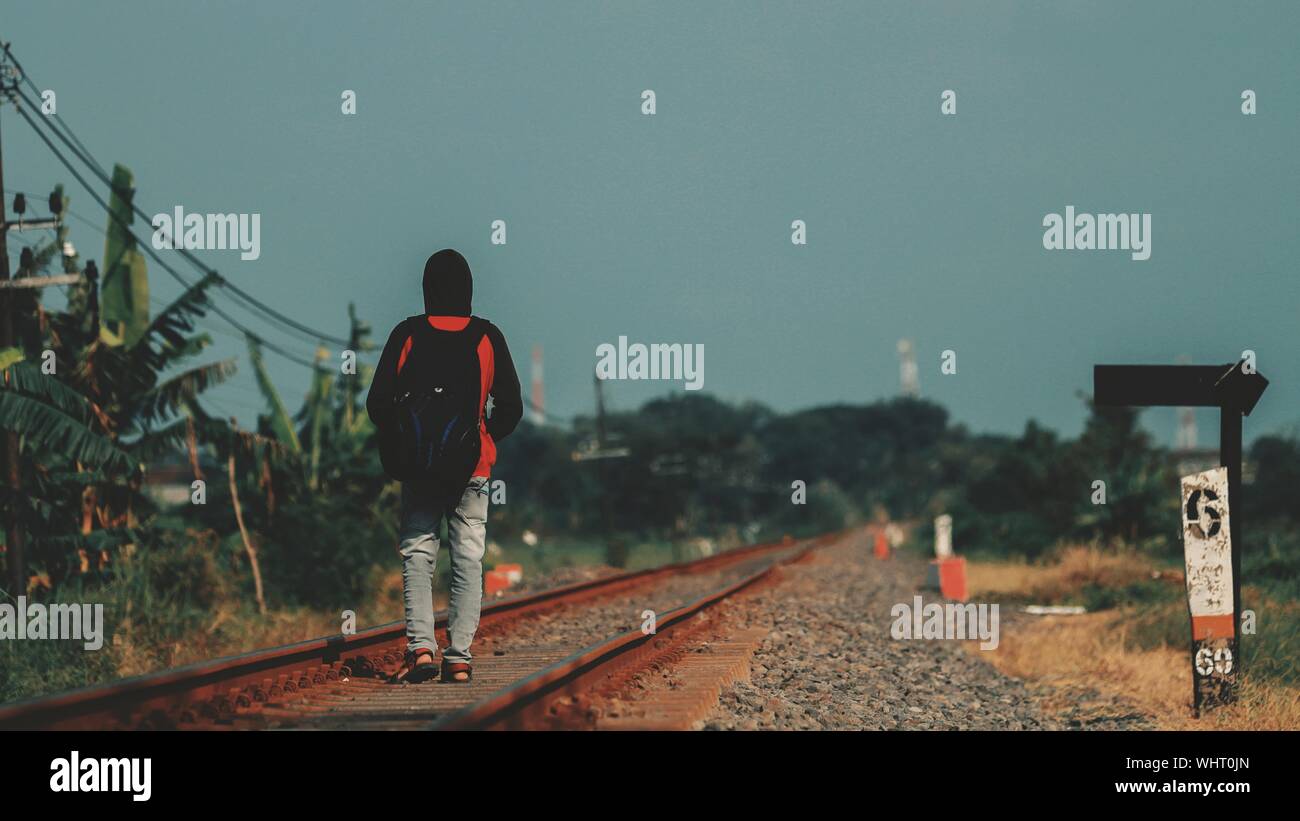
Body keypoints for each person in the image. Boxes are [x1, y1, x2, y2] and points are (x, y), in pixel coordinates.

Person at [366, 249, 522, 683]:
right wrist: (482, 433)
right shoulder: (487, 336)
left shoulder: (407, 334)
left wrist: (408, 438)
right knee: (469, 557)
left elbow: (377, 403)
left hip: (419, 469)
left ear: (427, 289)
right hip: (474, 468)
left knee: (418, 553)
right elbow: (511, 406)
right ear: (468, 290)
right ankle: (458, 658)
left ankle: (420, 652)